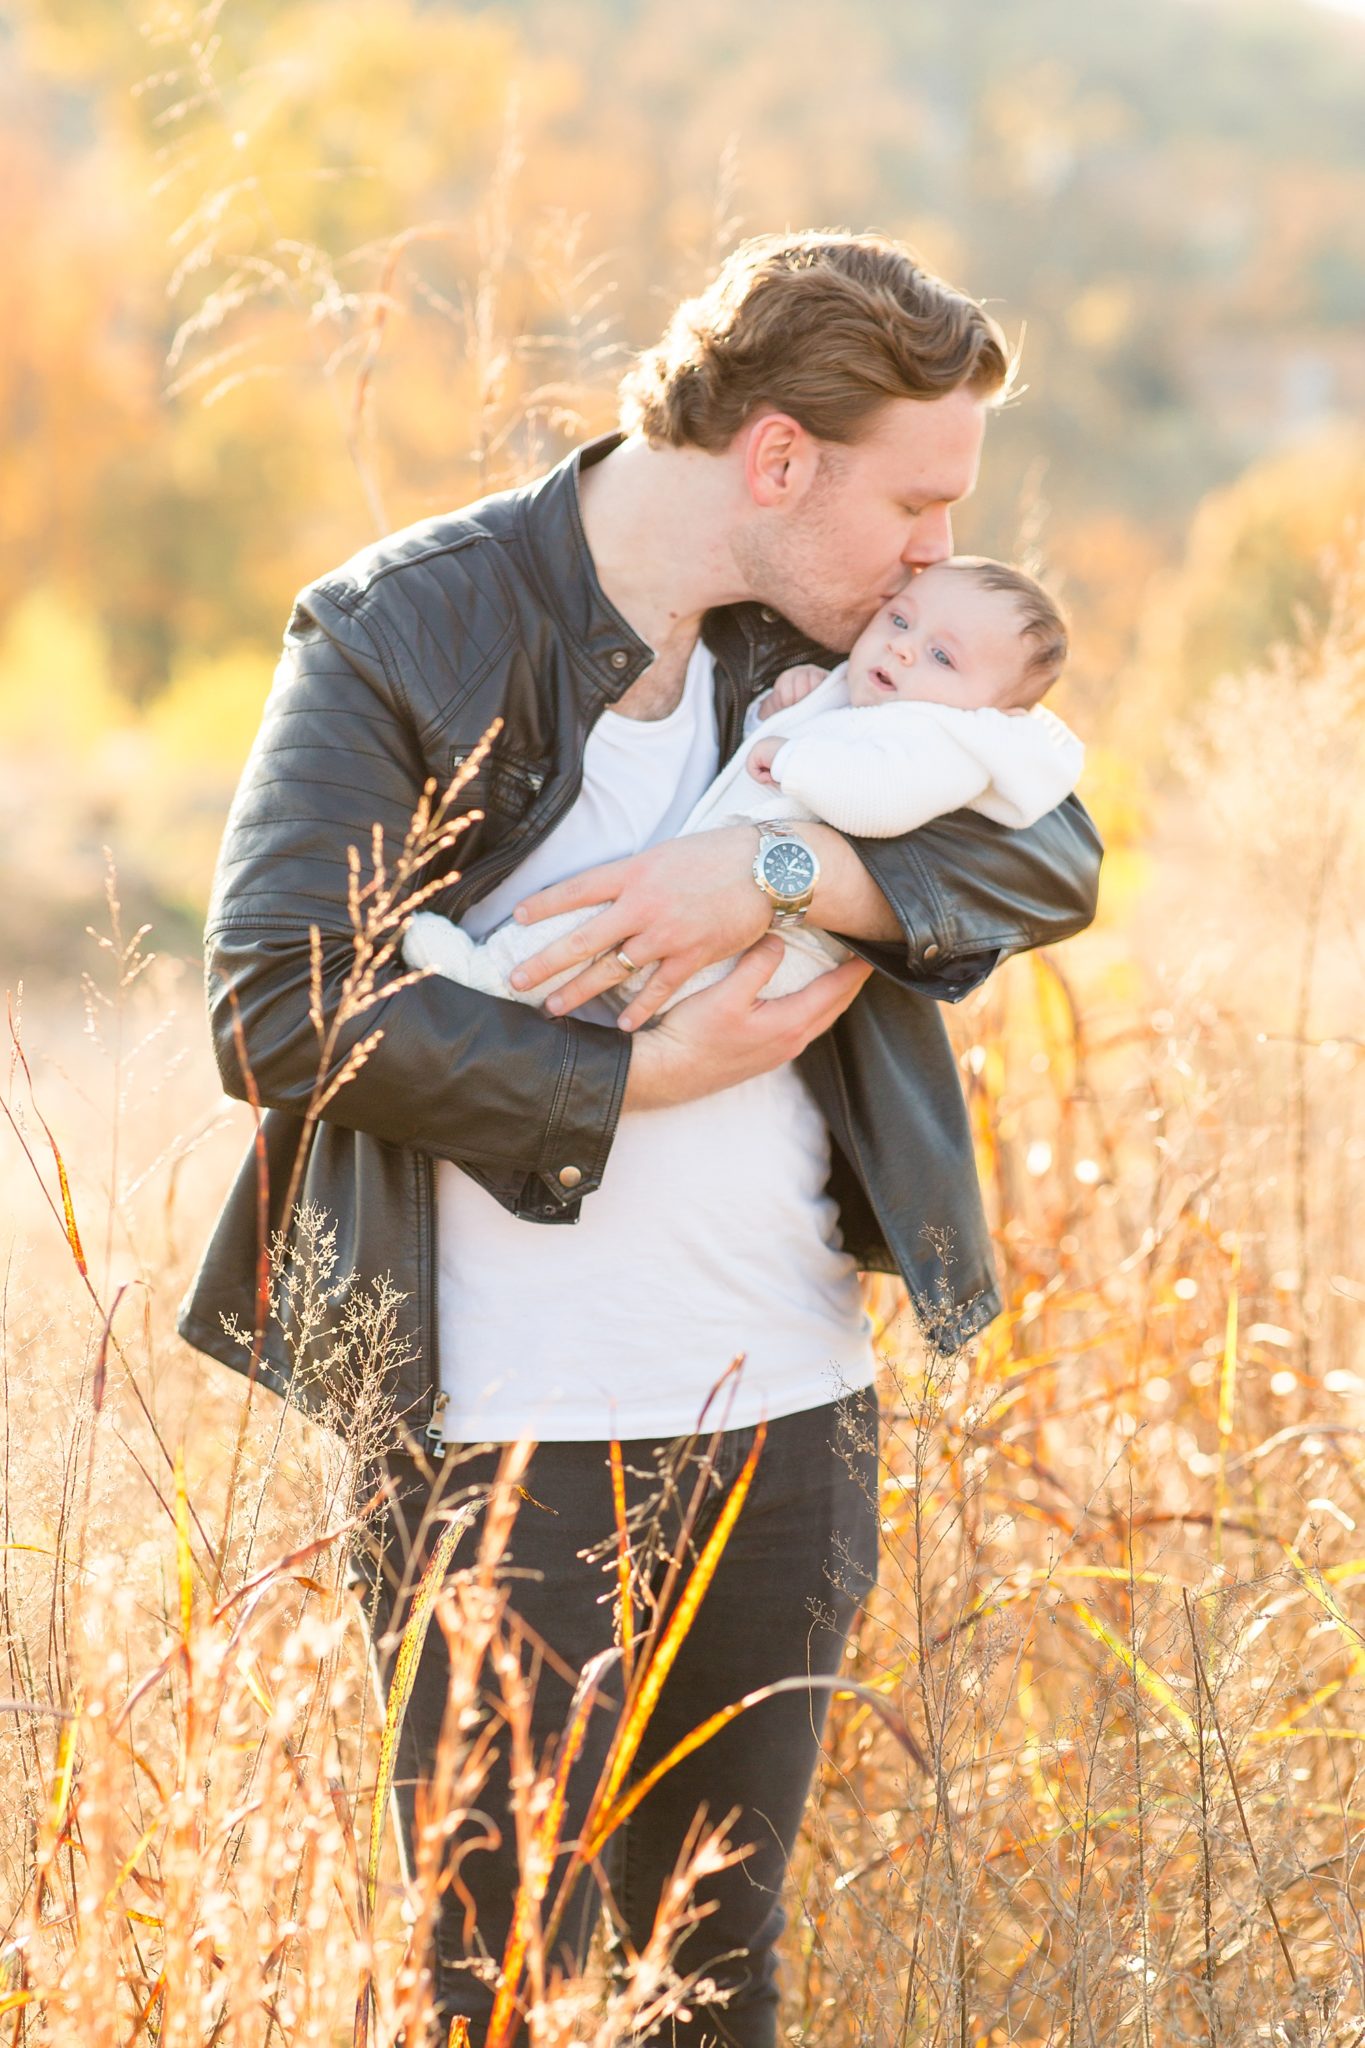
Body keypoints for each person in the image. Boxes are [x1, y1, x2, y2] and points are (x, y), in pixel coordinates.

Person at [178, 231, 1103, 2043]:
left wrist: (760, 868)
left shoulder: (841, 641)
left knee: (712, 1977)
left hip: (789, 1416)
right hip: (497, 1432)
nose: (940, 555)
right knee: (499, 1986)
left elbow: (1051, 845)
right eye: (916, 504)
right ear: (779, 457)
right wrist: (631, 1081)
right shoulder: (405, 627)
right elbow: (276, 1001)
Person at [402, 557, 1084, 1026]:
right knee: (619, 924)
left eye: (941, 656)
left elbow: (876, 801)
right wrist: (786, 708)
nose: (903, 648)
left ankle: (492, 977)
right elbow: (771, 761)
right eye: (900, 621)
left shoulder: (947, 745)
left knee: (608, 920)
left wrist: (792, 757)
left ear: (996, 713)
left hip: (774, 954)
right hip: (738, 926)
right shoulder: (879, 700)